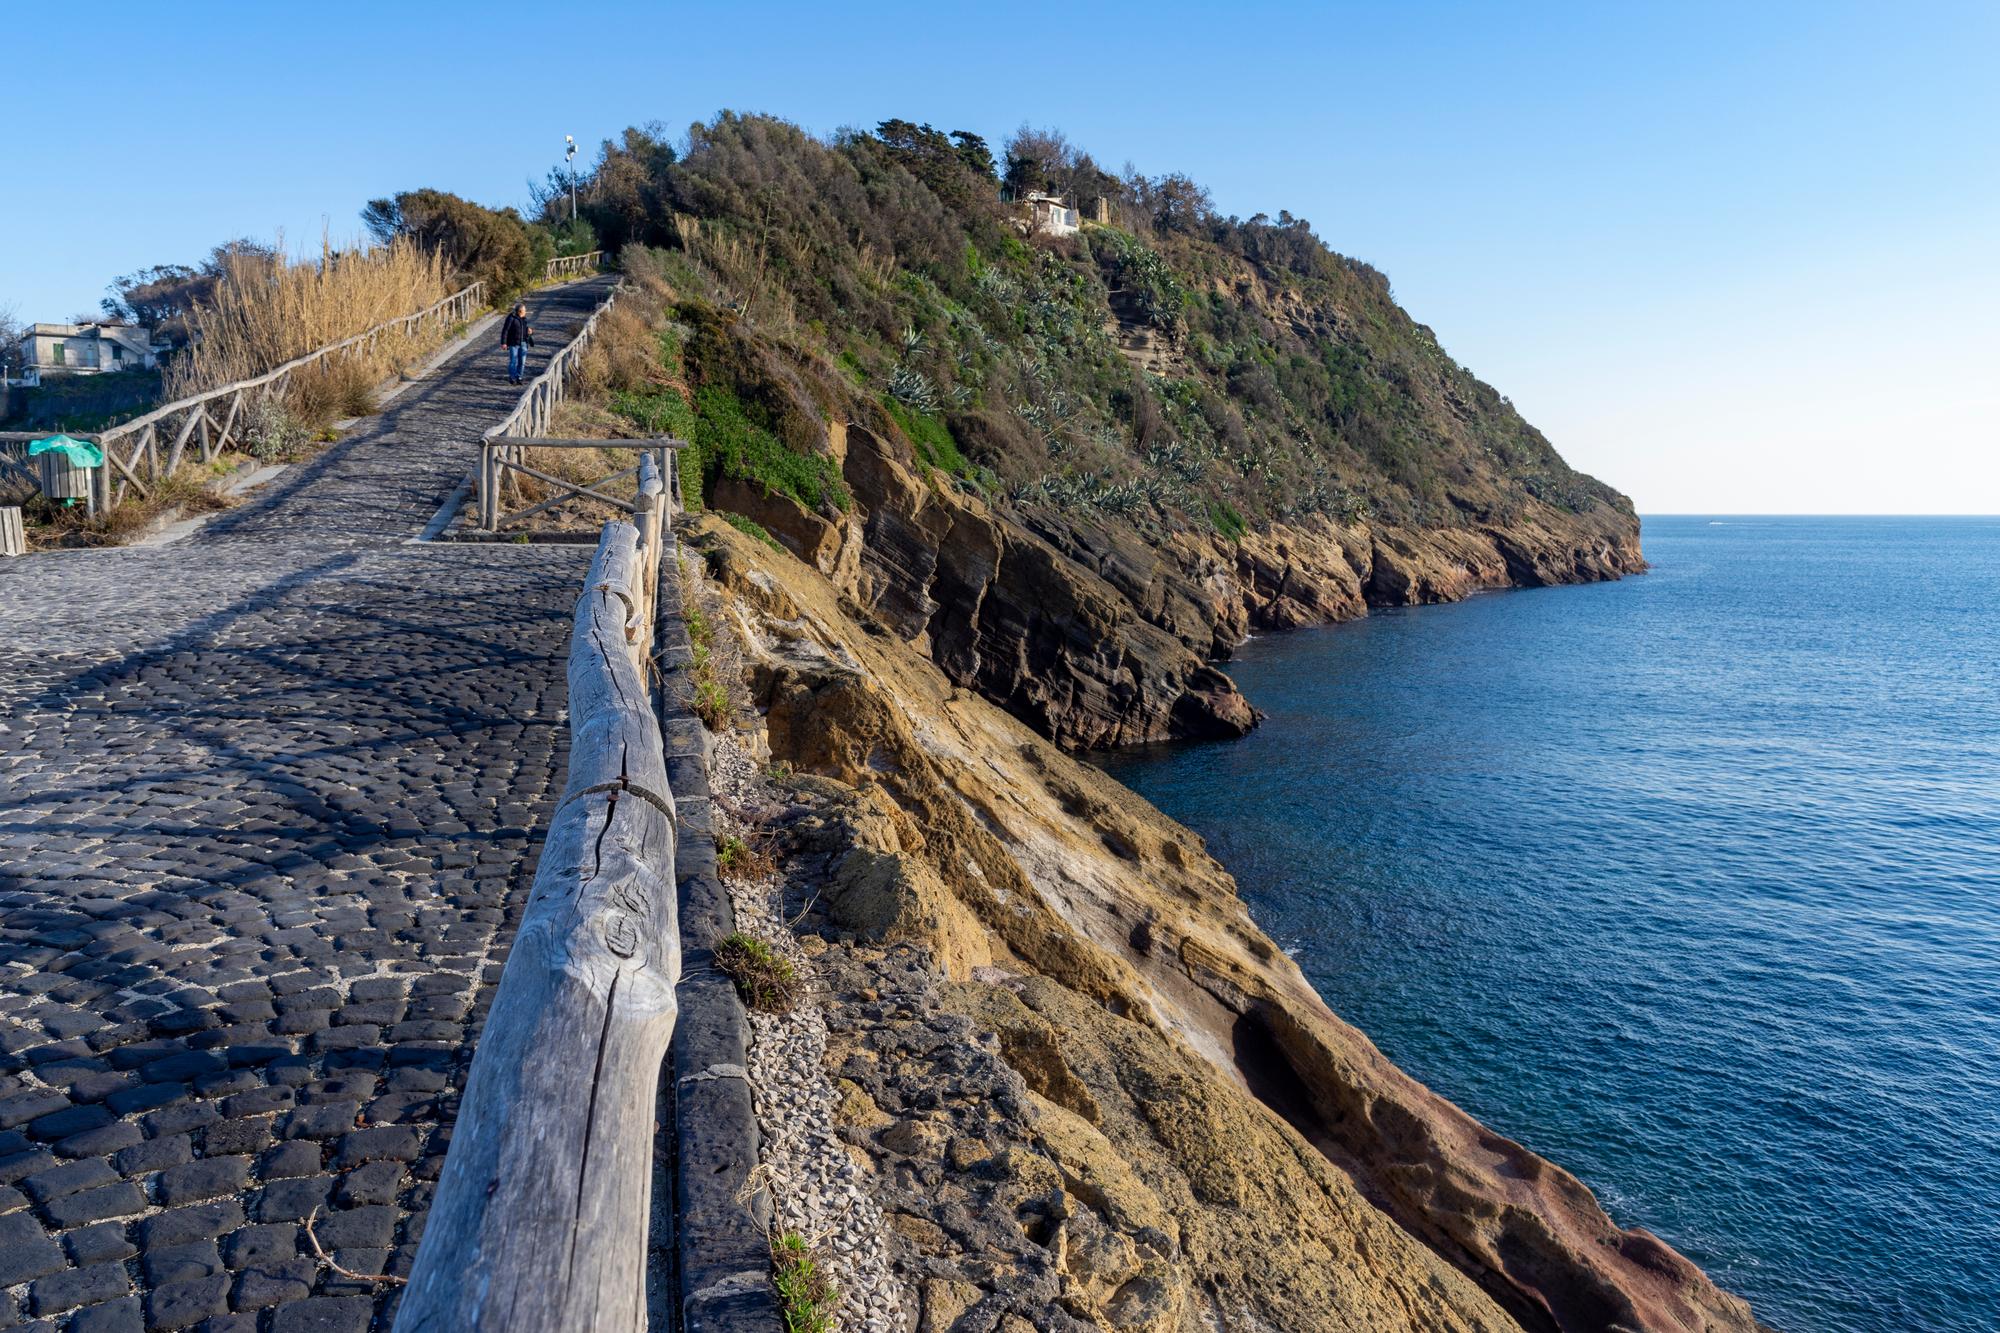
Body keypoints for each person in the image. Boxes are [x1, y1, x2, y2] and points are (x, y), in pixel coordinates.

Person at [500, 303, 534, 384]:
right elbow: (505, 330)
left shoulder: (524, 319)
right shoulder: (511, 318)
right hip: (513, 343)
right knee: (513, 361)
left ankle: (519, 377)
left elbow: (524, 330)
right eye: (524, 310)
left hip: (523, 343)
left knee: (522, 362)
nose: (526, 312)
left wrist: (530, 331)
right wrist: (504, 343)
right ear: (520, 311)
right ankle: (512, 378)